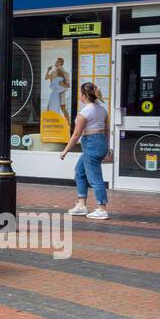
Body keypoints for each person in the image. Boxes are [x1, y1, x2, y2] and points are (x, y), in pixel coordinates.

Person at [60, 81, 110, 219]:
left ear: (84, 95)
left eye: (80, 94)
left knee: (95, 178)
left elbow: (76, 135)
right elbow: (107, 130)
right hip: (100, 142)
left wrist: (65, 151)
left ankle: (102, 209)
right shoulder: (102, 110)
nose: (80, 97)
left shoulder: (85, 112)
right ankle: (81, 205)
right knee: (80, 172)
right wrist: (108, 148)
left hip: (91, 143)